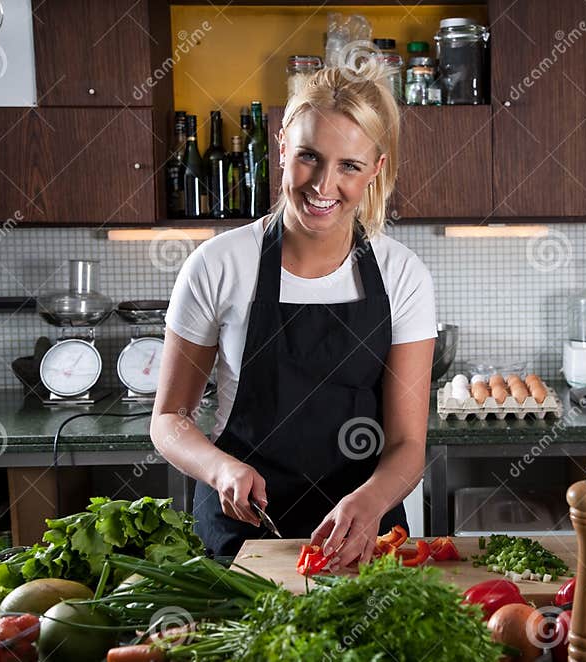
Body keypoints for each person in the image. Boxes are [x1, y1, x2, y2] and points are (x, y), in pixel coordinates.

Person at [152, 65, 437, 567]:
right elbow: (169, 420)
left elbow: (408, 443)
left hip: (362, 534)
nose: (323, 184)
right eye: (309, 156)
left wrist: (371, 502)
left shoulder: (402, 275)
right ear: (281, 145)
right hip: (241, 533)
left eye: (349, 165)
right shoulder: (217, 265)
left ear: (376, 168)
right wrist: (219, 470)